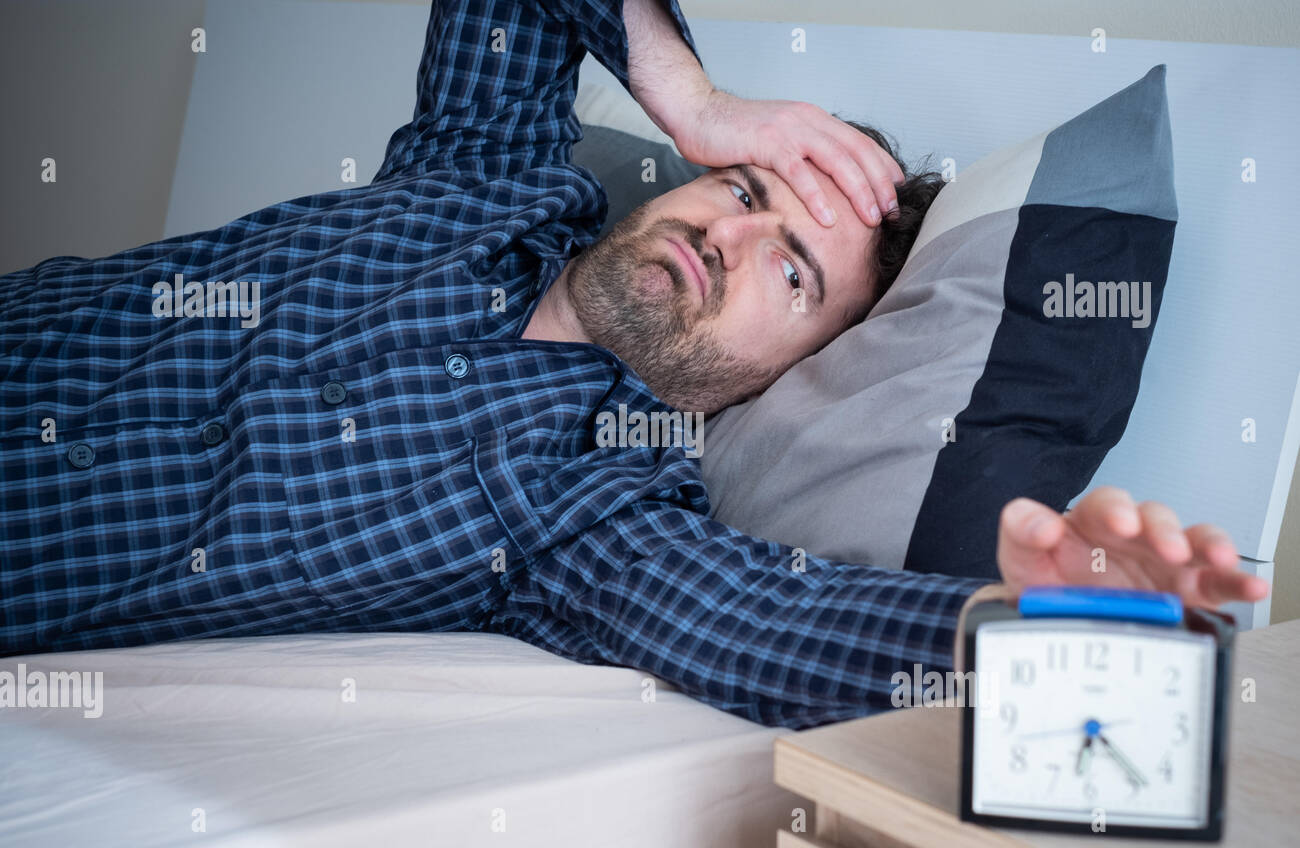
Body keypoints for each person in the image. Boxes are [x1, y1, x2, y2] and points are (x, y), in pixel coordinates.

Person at [0, 0, 1267, 728]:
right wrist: (695, 94)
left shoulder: (593, 513)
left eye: (790, 273)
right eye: (740, 187)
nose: (728, 237)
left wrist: (1044, 629)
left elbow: (777, 626)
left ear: (795, 370)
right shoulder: (479, 174)